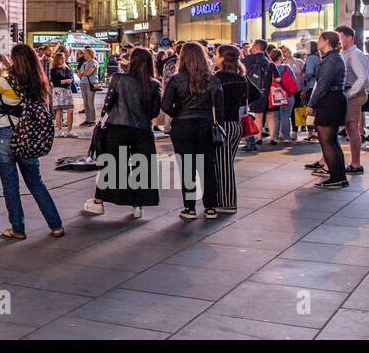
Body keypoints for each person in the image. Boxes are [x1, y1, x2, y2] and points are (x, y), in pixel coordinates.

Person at [0, 45, 64, 238]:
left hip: (6, 133)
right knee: (36, 182)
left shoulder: (6, 81)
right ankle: (56, 225)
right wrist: (9, 63)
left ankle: (18, 229)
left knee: (10, 185)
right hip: (29, 136)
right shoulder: (39, 81)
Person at [83, 47, 161, 218]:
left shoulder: (119, 78)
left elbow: (108, 103)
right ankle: (138, 204)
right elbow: (154, 113)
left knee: (112, 166)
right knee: (142, 167)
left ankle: (99, 202)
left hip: (117, 126)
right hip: (142, 130)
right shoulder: (154, 84)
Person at [160, 42, 225, 220]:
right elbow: (220, 108)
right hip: (205, 125)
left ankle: (189, 208)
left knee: (187, 168)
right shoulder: (212, 79)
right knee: (208, 167)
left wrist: (179, 113)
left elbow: (166, 105)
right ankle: (211, 206)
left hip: (182, 127)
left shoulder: (176, 79)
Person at [305, 31, 350, 188]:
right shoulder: (334, 58)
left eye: (320, 39)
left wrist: (312, 103)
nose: (318, 42)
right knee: (332, 140)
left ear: (327, 41)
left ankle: (336, 177)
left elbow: (323, 84)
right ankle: (339, 176)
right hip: (335, 99)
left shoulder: (330, 60)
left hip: (330, 100)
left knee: (327, 141)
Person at [210, 45, 248, 212]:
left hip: (222, 124)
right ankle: (224, 199)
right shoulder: (241, 77)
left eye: (217, 55)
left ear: (223, 58)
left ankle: (227, 202)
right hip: (236, 123)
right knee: (226, 162)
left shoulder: (217, 78)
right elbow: (255, 93)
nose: (214, 57)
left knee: (223, 165)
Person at [336, 26, 369, 174]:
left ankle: (356, 163)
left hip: (351, 93)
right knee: (346, 127)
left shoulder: (354, 54)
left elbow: (363, 77)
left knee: (351, 127)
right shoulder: (346, 53)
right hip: (347, 92)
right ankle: (326, 160)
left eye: (340, 37)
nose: (338, 40)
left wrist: (349, 94)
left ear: (349, 38)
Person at [241, 39, 273, 151]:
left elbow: (241, 70)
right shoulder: (266, 60)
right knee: (258, 116)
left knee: (247, 115)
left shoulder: (250, 59)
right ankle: (257, 137)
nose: (251, 48)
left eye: (253, 45)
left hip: (249, 90)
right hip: (262, 90)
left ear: (257, 47)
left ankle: (251, 140)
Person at [267, 48, 297, 145]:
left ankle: (274, 136)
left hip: (273, 95)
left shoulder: (269, 68)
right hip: (287, 95)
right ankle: (285, 136)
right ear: (281, 57)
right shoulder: (286, 68)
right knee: (285, 116)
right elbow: (294, 80)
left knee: (275, 117)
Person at [48, 51, 78, 138]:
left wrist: (66, 81)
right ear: (57, 59)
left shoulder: (67, 69)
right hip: (58, 91)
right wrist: (65, 81)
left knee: (70, 110)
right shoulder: (54, 70)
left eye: (64, 58)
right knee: (59, 111)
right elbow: (55, 82)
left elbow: (71, 79)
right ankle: (60, 130)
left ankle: (70, 130)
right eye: (61, 58)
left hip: (67, 90)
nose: (63, 60)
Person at [76, 52, 97, 127]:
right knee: (85, 102)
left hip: (91, 83)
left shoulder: (93, 62)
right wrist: (82, 73)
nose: (84, 55)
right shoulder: (85, 63)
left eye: (86, 53)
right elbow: (79, 73)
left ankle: (92, 120)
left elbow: (89, 73)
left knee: (90, 102)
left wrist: (82, 73)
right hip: (83, 83)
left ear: (90, 54)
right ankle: (88, 119)